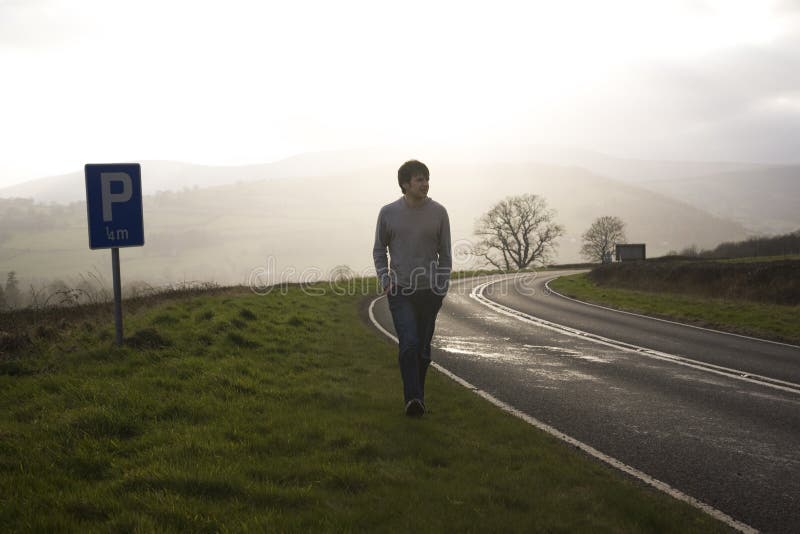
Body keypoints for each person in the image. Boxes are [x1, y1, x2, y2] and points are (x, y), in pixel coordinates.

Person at [373, 160, 452, 417]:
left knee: (423, 352)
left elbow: (445, 254)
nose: (425, 184)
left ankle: (417, 396)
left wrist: (441, 286)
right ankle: (414, 399)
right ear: (405, 184)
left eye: (427, 179)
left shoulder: (439, 212)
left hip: (430, 291)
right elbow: (379, 250)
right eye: (419, 179)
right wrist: (385, 280)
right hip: (400, 290)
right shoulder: (388, 213)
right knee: (409, 343)